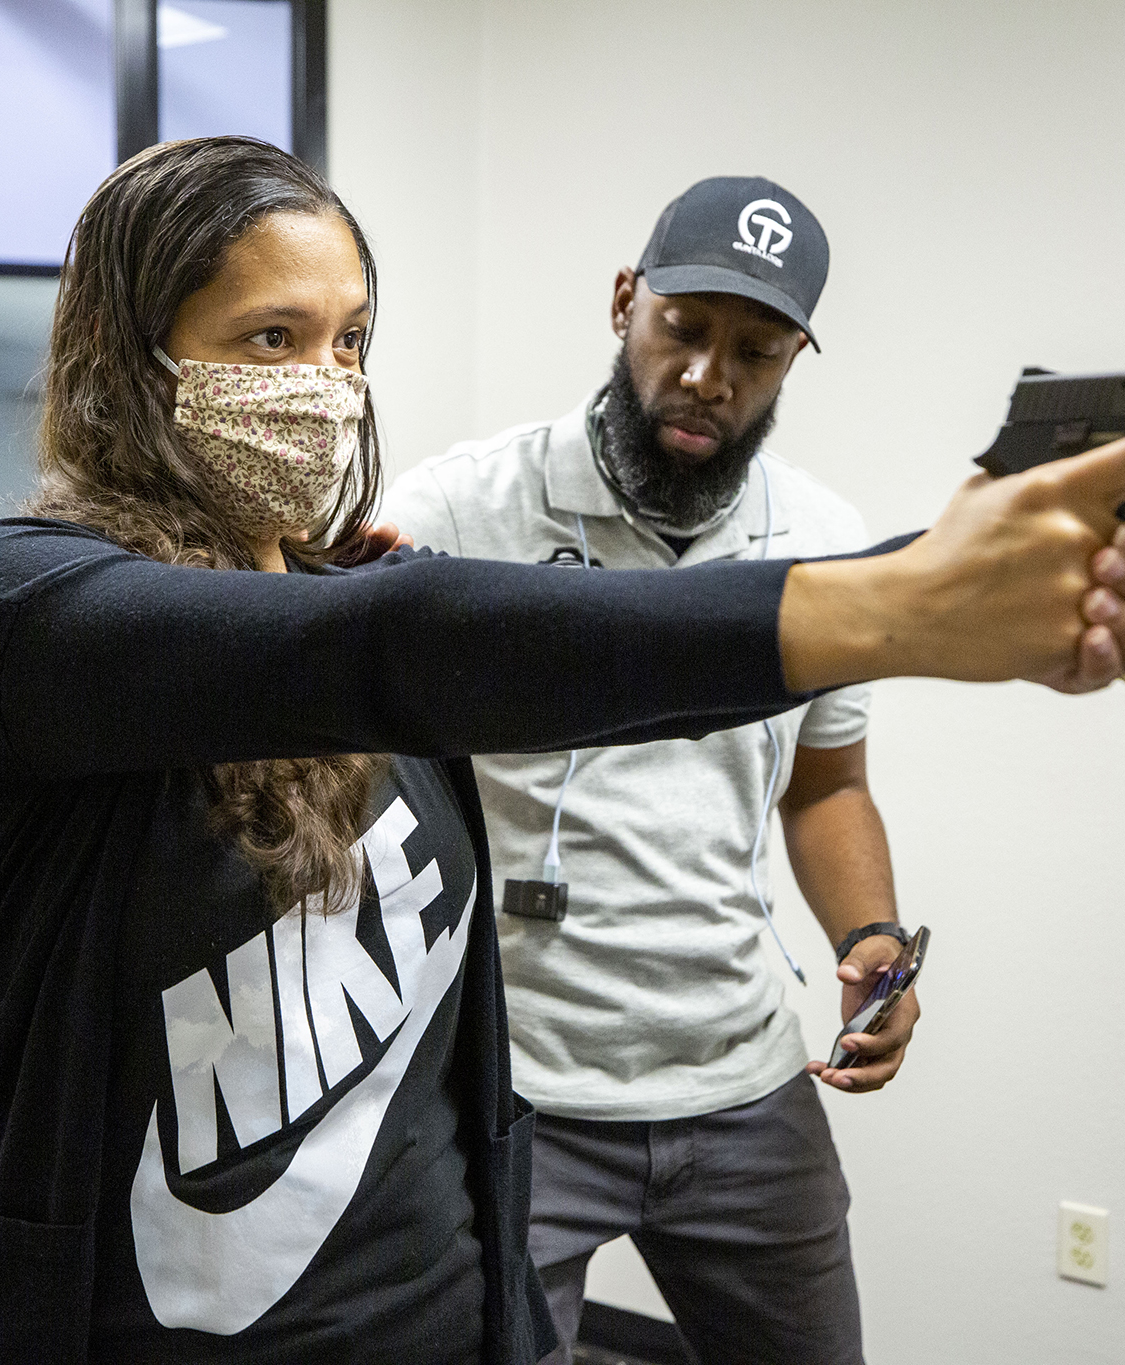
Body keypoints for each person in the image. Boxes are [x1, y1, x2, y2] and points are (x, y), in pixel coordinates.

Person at [0, 136, 1125, 1365]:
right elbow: (402, 652)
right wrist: (897, 602)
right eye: (269, 339)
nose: (326, 389)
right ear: (134, 354)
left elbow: (596, 688)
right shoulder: (4, 613)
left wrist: (922, 584)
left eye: (351, 340)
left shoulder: (343, 581)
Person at [381, 175, 957, 1361]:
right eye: (683, 329)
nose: (708, 375)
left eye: (754, 348)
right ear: (622, 303)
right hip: (516, 1088)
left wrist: (869, 942)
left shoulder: (824, 550)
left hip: (744, 1085)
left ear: (794, 359)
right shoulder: (461, 507)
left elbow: (826, 785)